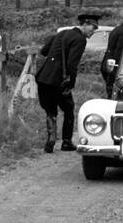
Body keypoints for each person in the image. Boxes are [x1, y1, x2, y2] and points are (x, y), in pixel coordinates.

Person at [35, 11, 100, 152]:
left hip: (43, 78)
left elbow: (44, 51)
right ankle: (66, 141)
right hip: (59, 81)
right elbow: (72, 64)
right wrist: (71, 83)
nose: (94, 31)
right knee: (69, 109)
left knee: (51, 111)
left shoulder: (61, 34)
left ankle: (51, 138)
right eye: (93, 28)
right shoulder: (80, 39)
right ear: (85, 24)